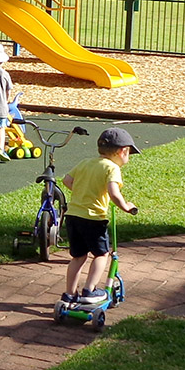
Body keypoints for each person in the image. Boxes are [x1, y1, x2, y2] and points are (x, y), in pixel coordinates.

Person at [60, 127, 139, 306]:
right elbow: (114, 193)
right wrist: (127, 207)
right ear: (122, 151)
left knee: (78, 257)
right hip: (93, 218)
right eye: (129, 153)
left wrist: (84, 192)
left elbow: (67, 180)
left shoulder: (85, 162)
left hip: (73, 216)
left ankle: (69, 294)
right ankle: (90, 290)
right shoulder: (112, 168)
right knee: (101, 255)